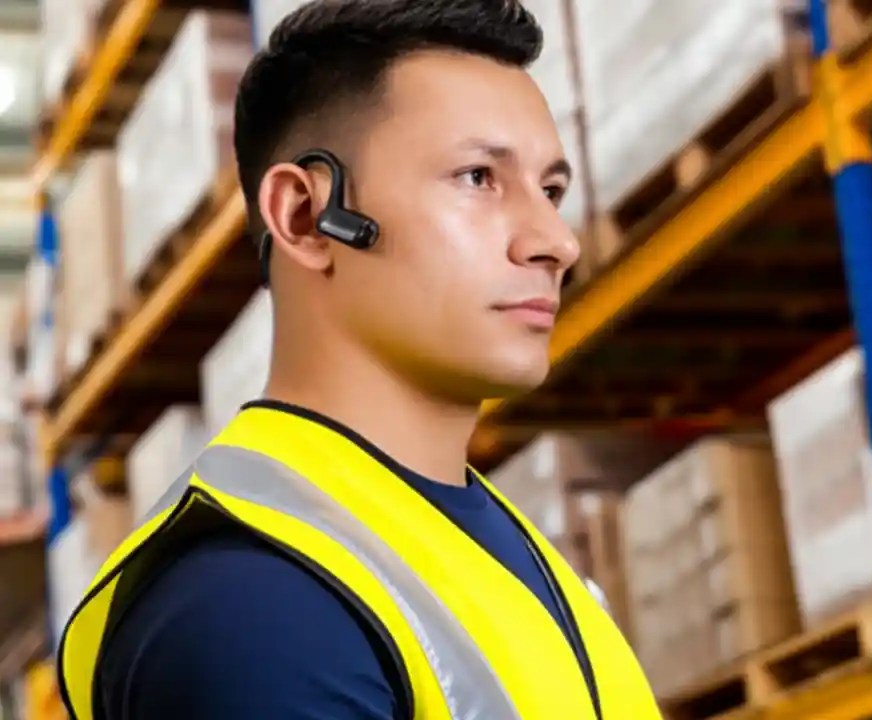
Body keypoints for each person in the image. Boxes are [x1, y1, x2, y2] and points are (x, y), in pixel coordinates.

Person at [55, 1, 662, 718]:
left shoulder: (496, 552)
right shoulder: (254, 610)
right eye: (477, 178)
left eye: (551, 190)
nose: (556, 241)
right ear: (307, 218)